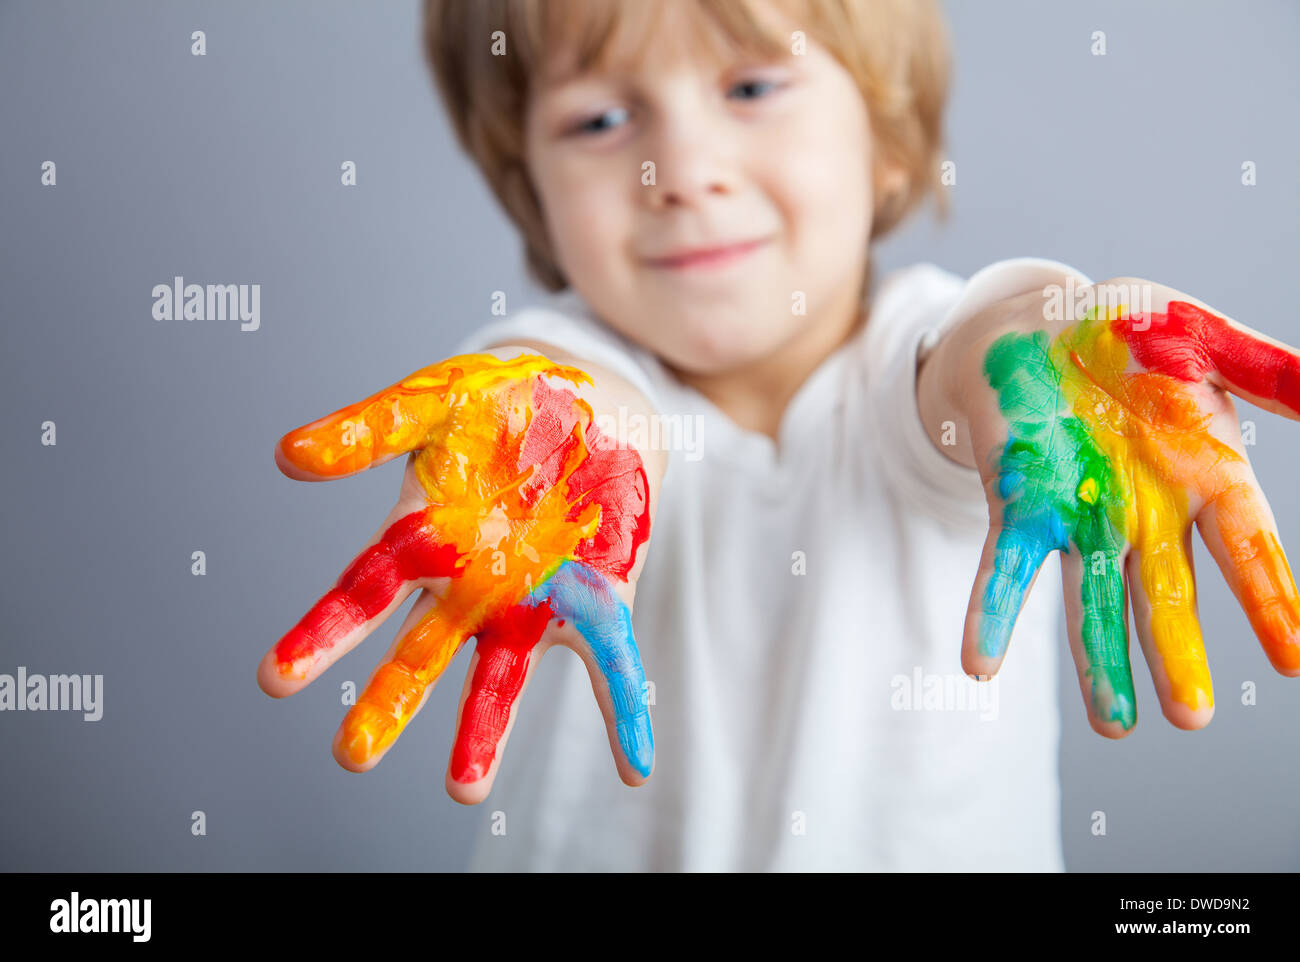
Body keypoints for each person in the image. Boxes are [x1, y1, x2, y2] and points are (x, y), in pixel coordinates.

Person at [258, 0, 1300, 871]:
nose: (684, 169)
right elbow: (590, 402)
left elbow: (976, 347)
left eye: (752, 89)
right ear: (528, 189)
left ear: (887, 142)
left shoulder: (923, 369)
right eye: (600, 120)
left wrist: (1040, 336)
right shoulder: (539, 401)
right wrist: (566, 442)